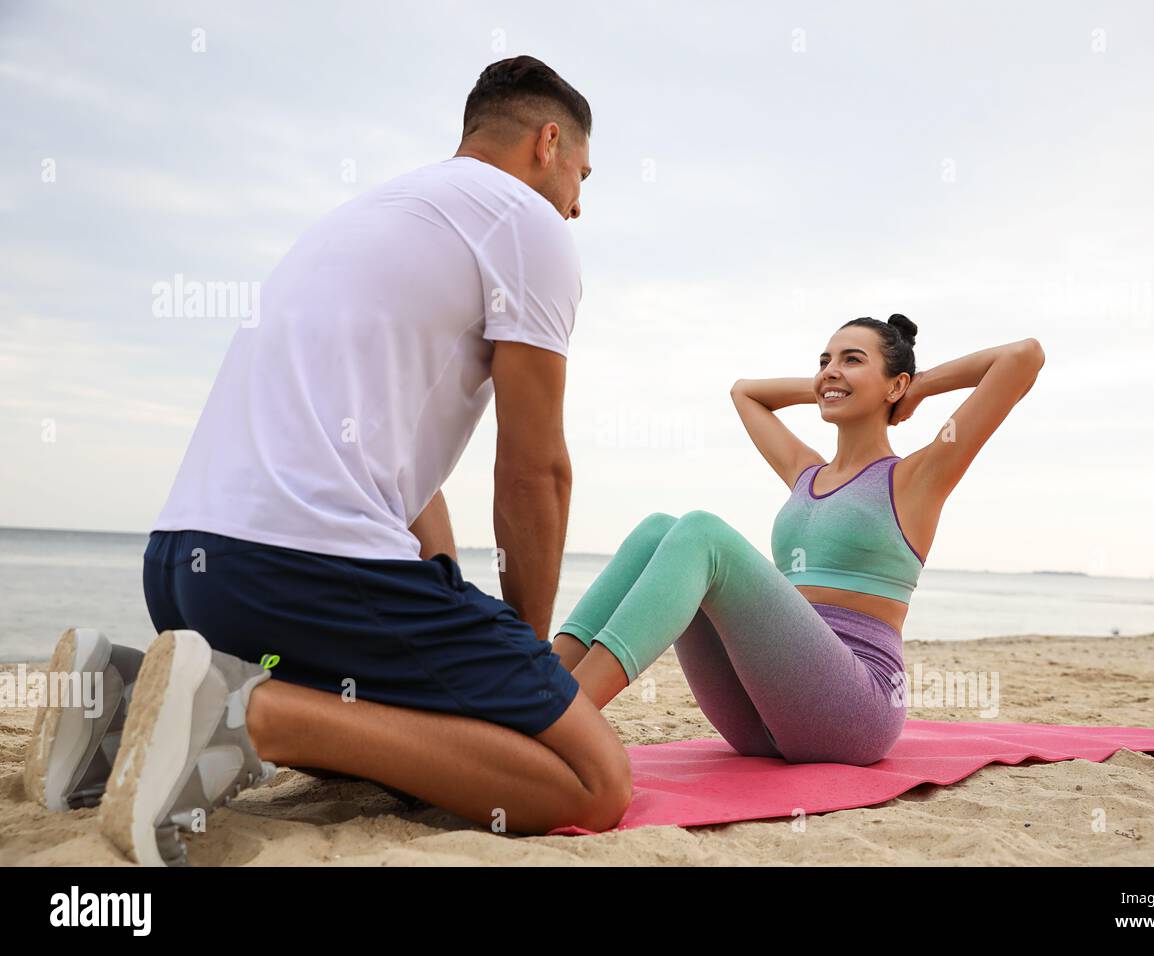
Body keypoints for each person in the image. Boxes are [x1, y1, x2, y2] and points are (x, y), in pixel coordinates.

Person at [23, 55, 633, 866]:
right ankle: (248, 712)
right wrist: (520, 677)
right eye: (580, 175)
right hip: (303, 571)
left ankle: (128, 693)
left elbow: (401, 479)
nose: (579, 204)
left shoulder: (378, 212)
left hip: (184, 572)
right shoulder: (527, 223)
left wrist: (454, 608)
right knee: (592, 784)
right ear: (546, 144)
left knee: (416, 747)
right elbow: (535, 470)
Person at [551, 315, 1045, 764]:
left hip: (855, 711)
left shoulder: (917, 478)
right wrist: (835, 387)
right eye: (824, 361)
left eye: (853, 359)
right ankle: (540, 689)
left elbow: (1023, 357)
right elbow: (745, 392)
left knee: (702, 531)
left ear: (895, 383)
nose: (831, 369)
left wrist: (912, 389)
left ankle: (560, 720)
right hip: (764, 715)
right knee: (659, 528)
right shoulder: (805, 473)